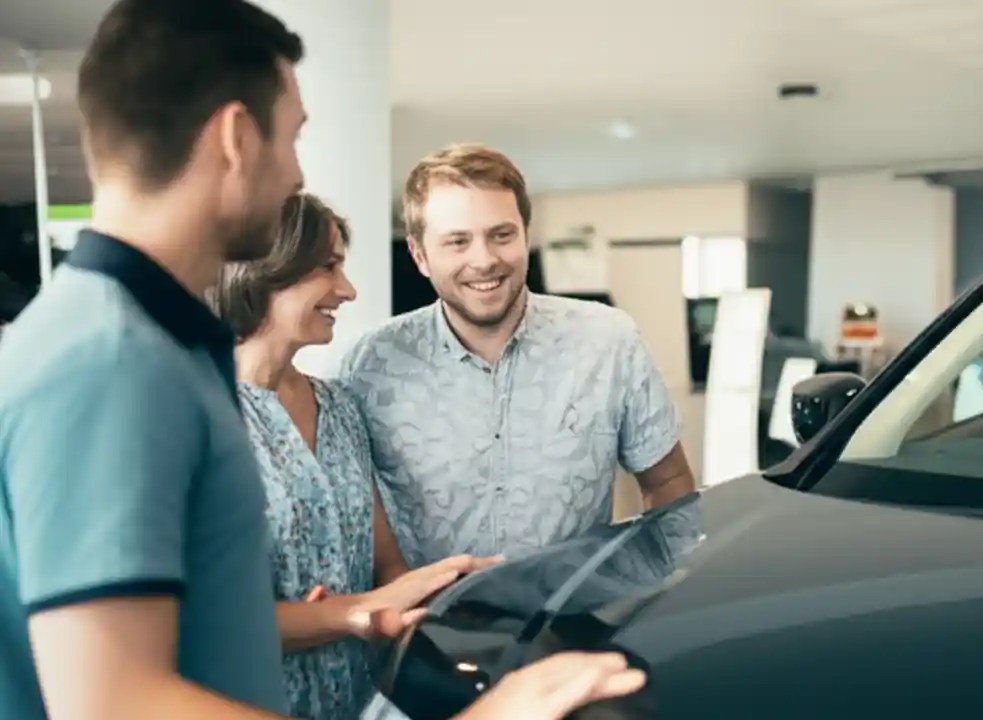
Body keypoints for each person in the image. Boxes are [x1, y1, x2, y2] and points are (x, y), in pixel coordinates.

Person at [0, 2, 642, 718]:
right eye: (295, 136)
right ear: (238, 137)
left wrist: (355, 611)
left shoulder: (159, 349)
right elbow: (113, 703)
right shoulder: (110, 365)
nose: (296, 173)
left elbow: (196, 631)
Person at [340, 143, 701, 569]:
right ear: (420, 256)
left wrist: (665, 584)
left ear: (525, 236)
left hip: (579, 622)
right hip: (430, 627)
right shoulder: (372, 364)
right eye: (457, 242)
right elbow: (357, 515)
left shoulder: (608, 341)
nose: (484, 259)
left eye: (502, 235)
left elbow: (668, 481)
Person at [211, 191, 502, 719]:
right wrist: (355, 614)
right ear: (268, 270)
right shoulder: (199, 414)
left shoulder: (339, 406)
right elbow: (209, 623)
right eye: (328, 268)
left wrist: (452, 595)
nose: (347, 290)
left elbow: (385, 567)